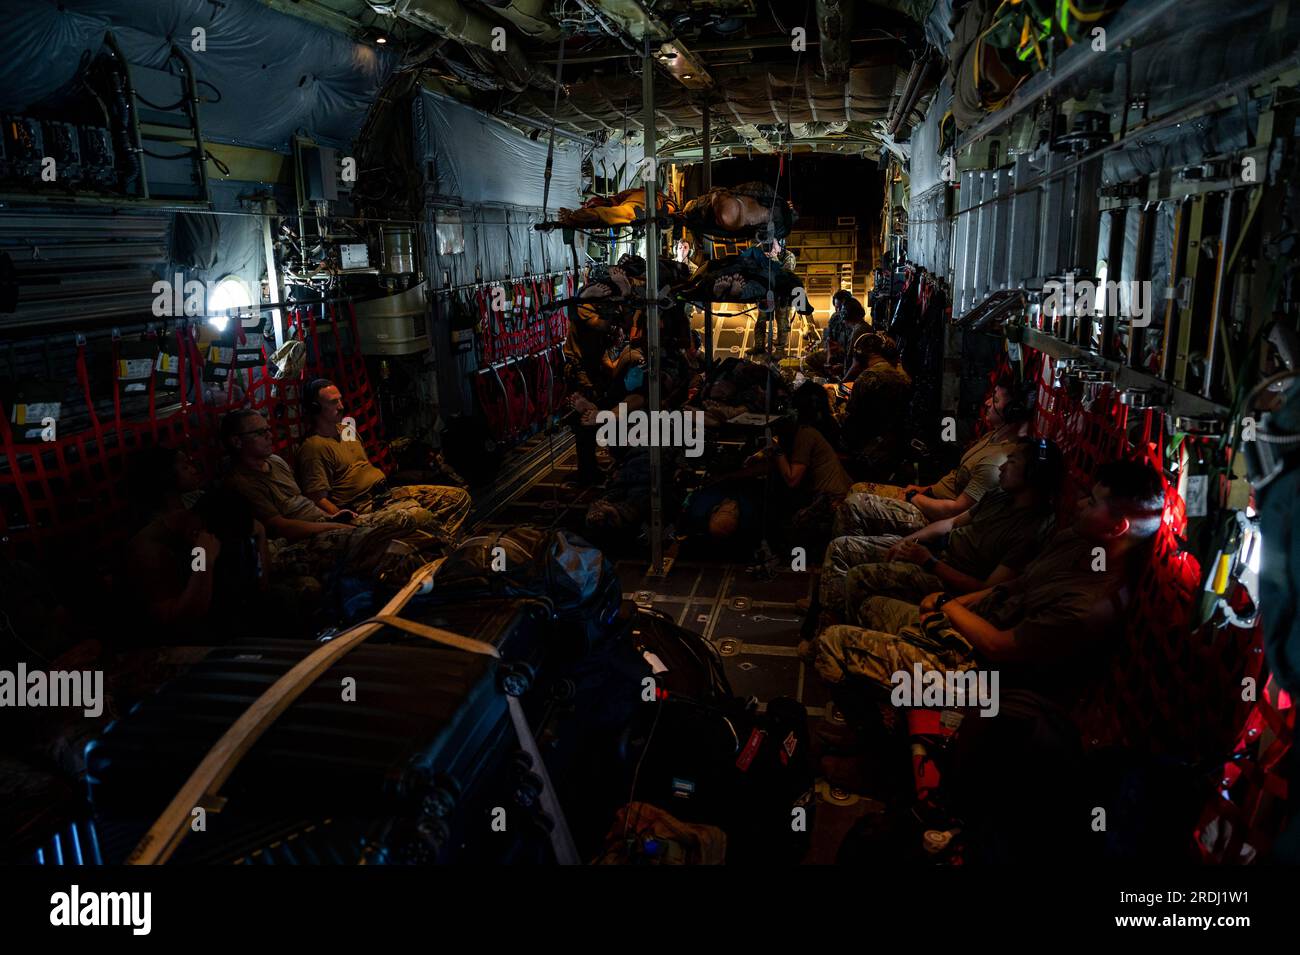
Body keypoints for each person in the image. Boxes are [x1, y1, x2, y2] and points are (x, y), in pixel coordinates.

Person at [808, 459, 1166, 706]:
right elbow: (1017, 585)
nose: (1082, 504)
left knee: (834, 643)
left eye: (1095, 502)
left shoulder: (1090, 605)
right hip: (969, 627)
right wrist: (958, 606)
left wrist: (946, 604)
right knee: (871, 606)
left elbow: (998, 647)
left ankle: (870, 745)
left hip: (983, 678)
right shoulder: (1077, 543)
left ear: (1117, 527)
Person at [831, 437, 1064, 624]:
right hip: (937, 554)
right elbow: (952, 523)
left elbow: (987, 590)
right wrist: (909, 541)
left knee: (859, 578)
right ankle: (825, 618)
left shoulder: (1030, 532)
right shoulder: (999, 496)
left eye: (1012, 461)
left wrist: (929, 562)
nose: (1002, 467)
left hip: (947, 580)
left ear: (1032, 474)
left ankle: (841, 635)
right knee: (840, 548)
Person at [220, 409, 425, 587]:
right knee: (381, 536)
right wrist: (332, 527)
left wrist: (333, 516)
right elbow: (281, 526)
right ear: (237, 441)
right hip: (304, 537)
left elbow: (302, 502)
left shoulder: (276, 461)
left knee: (412, 515)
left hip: (324, 521)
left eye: (267, 430)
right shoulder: (241, 482)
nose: (269, 436)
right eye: (259, 433)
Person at [835, 379, 1030, 539]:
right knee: (857, 488)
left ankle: (857, 552)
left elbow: (954, 511)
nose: (987, 402)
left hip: (933, 515)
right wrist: (924, 490)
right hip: (929, 498)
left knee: (853, 506)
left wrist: (915, 498)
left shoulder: (995, 461)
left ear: (1012, 412)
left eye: (995, 400)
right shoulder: (993, 437)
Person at [296, 379, 470, 546]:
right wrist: (347, 522)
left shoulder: (347, 431)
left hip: (385, 493)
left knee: (458, 498)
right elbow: (317, 499)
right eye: (334, 402)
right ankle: (438, 548)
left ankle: (437, 546)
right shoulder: (313, 447)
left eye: (341, 400)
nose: (341, 407)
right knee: (420, 517)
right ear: (316, 408)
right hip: (363, 506)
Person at [839, 332, 912, 457]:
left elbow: (851, 420)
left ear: (860, 356)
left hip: (870, 448)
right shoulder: (903, 375)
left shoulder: (867, 377)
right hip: (897, 445)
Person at [751, 239, 798, 357]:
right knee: (760, 321)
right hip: (767, 293)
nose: (768, 250)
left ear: (781, 246)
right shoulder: (763, 252)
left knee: (782, 323)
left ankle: (780, 350)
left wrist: (774, 259)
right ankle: (759, 346)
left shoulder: (789, 257)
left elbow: (785, 274)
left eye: (772, 247)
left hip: (783, 295)